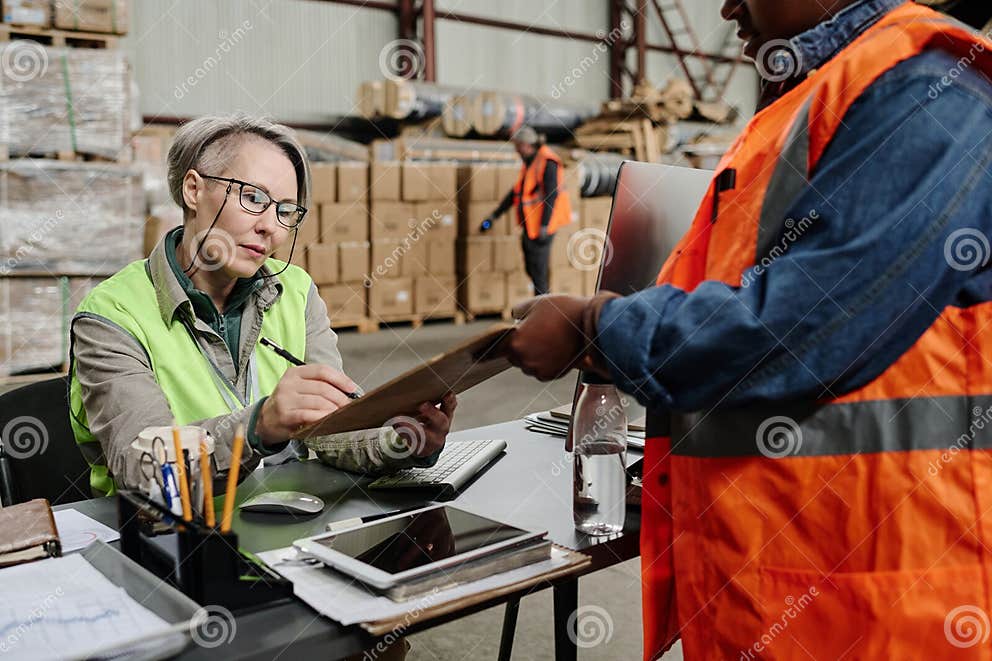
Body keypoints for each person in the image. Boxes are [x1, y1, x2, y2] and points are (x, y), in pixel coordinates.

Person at [505, 0, 992, 658]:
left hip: (888, 600)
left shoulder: (924, 86)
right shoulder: (812, 101)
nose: (728, 4)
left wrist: (593, 328)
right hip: (784, 581)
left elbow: (802, 327)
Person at [69, 114, 456, 496]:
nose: (271, 226)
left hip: (282, 525)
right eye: (254, 198)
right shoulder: (112, 315)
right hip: (167, 540)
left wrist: (402, 440)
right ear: (193, 190)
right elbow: (143, 469)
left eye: (285, 211)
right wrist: (258, 425)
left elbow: (328, 434)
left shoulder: (296, 291)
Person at [479, 125, 572, 295]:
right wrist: (494, 216)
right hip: (530, 225)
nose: (516, 151)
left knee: (538, 270)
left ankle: (543, 310)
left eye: (517, 146)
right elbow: (516, 193)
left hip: (543, 226)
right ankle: (542, 304)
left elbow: (551, 195)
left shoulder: (547, 161)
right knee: (532, 267)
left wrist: (544, 224)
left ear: (527, 145)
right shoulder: (530, 163)